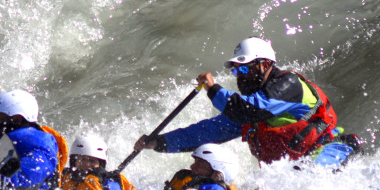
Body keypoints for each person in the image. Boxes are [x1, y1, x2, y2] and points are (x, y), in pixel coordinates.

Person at [134, 37, 359, 165]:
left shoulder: (288, 85)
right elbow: (210, 132)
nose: (241, 76)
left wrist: (213, 89)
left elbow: (245, 110)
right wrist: (160, 142)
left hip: (331, 155)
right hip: (296, 172)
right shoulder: (255, 108)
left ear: (265, 65)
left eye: (245, 69)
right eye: (237, 71)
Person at [153, 143, 261, 190]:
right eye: (195, 161)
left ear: (217, 171)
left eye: (200, 163)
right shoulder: (196, 185)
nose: (192, 166)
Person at [58, 133, 145, 190]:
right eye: (82, 159)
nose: (87, 164)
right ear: (74, 161)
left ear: (101, 164)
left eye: (92, 161)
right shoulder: (63, 176)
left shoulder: (110, 181)